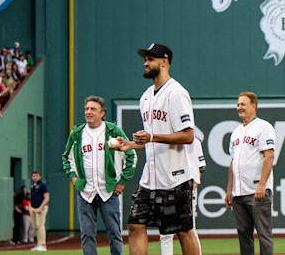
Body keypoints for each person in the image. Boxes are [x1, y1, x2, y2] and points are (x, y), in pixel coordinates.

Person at [121, 44, 199, 255]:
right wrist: (129, 144)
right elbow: (150, 140)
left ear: (164, 62)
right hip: (150, 178)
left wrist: (153, 137)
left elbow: (188, 135)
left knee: (183, 231)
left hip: (175, 177)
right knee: (135, 224)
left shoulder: (176, 93)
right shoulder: (145, 97)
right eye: (145, 59)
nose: (145, 63)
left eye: (150, 59)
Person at [64, 96, 135, 255]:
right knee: (87, 234)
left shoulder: (113, 131)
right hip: (85, 192)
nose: (88, 112)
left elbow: (131, 156)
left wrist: (122, 181)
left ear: (102, 113)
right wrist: (74, 178)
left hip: (108, 191)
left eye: (93, 109)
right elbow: (66, 158)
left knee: (114, 233)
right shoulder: (77, 133)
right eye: (87, 109)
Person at [226, 92, 276, 255]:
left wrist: (262, 185)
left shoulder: (264, 127)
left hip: (257, 191)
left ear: (254, 106)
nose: (239, 107)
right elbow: (233, 162)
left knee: (264, 235)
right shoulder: (236, 132)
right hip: (239, 193)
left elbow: (269, 156)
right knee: (244, 235)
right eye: (238, 104)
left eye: (243, 104)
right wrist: (229, 190)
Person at [28, 171, 50, 252]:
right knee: (36, 226)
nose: (35, 177)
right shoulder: (33, 186)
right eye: (33, 176)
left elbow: (47, 197)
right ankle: (38, 244)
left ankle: (43, 245)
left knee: (40, 226)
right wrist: (30, 207)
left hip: (40, 208)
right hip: (33, 208)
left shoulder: (42, 185)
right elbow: (31, 197)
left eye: (36, 176)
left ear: (40, 176)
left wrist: (41, 207)